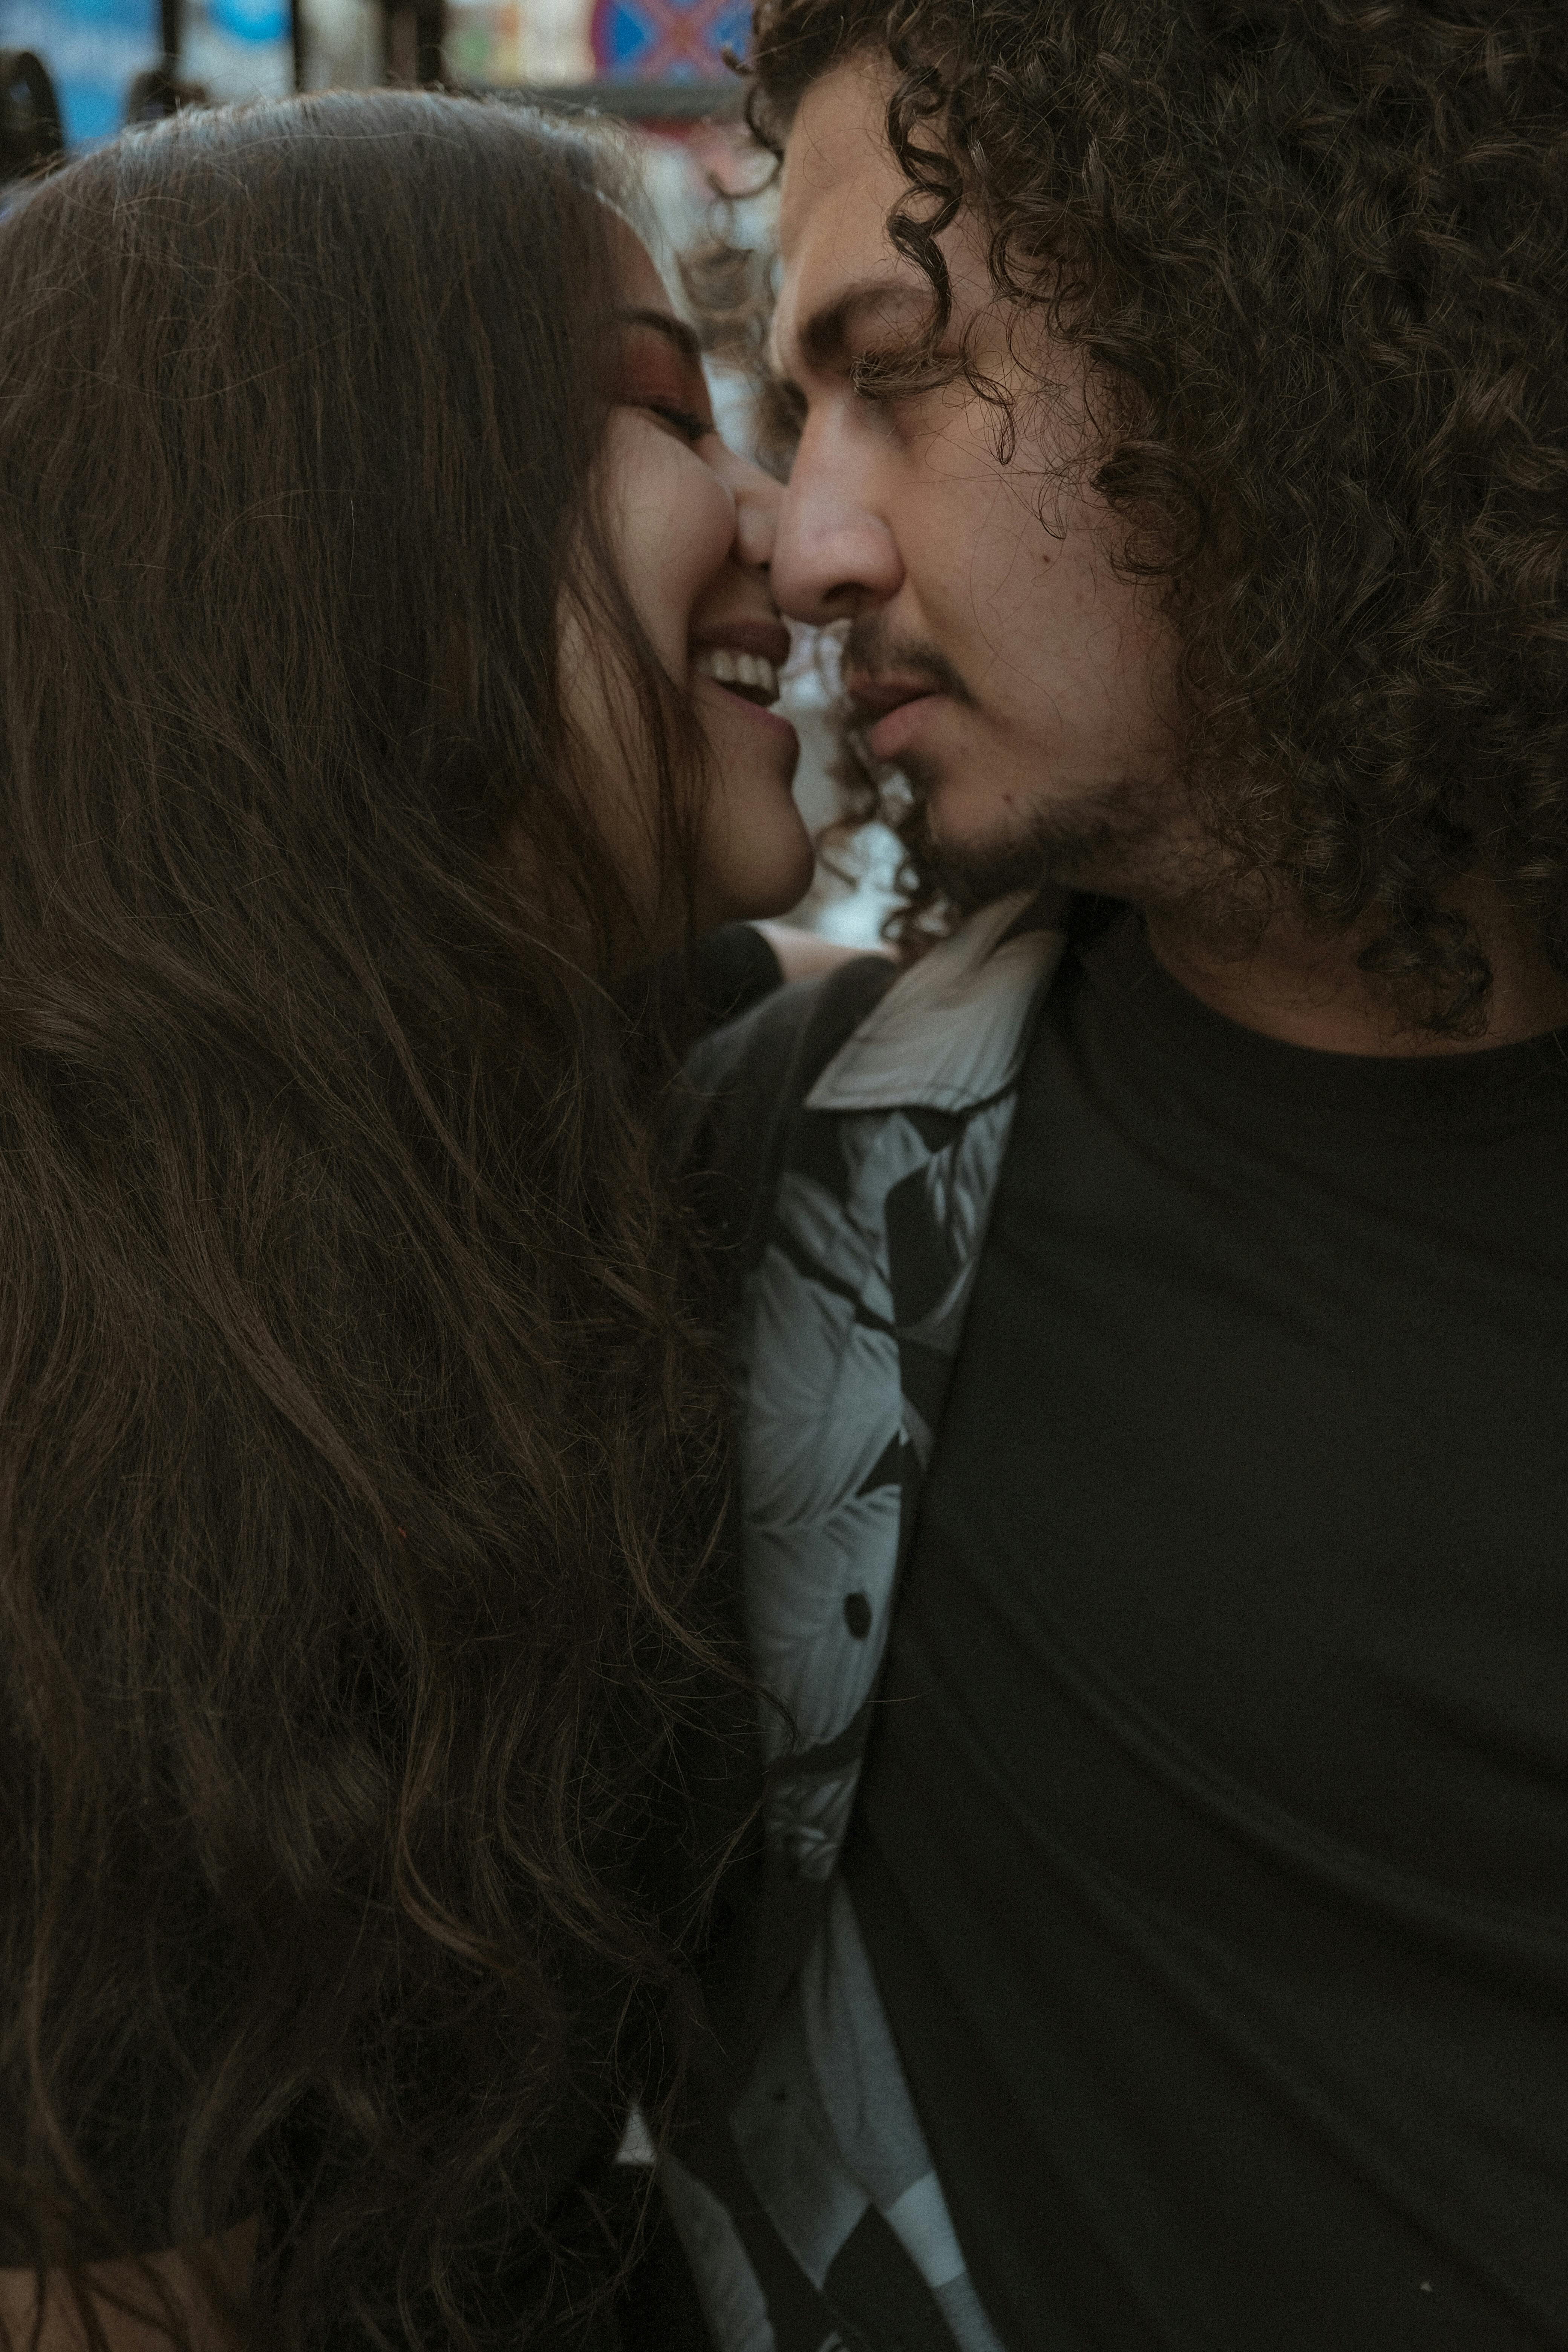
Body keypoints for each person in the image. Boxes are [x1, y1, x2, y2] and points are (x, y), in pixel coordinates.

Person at [639, 4, 1568, 2348]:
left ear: (1275, 329)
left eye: (904, 370)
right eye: (782, 412)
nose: (820, 541)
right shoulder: (798, 1185)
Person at [0, 88, 819, 2352]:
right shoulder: (82, 1420)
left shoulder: (590, 1049)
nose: (794, 522)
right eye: (663, 411)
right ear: (339, 523)